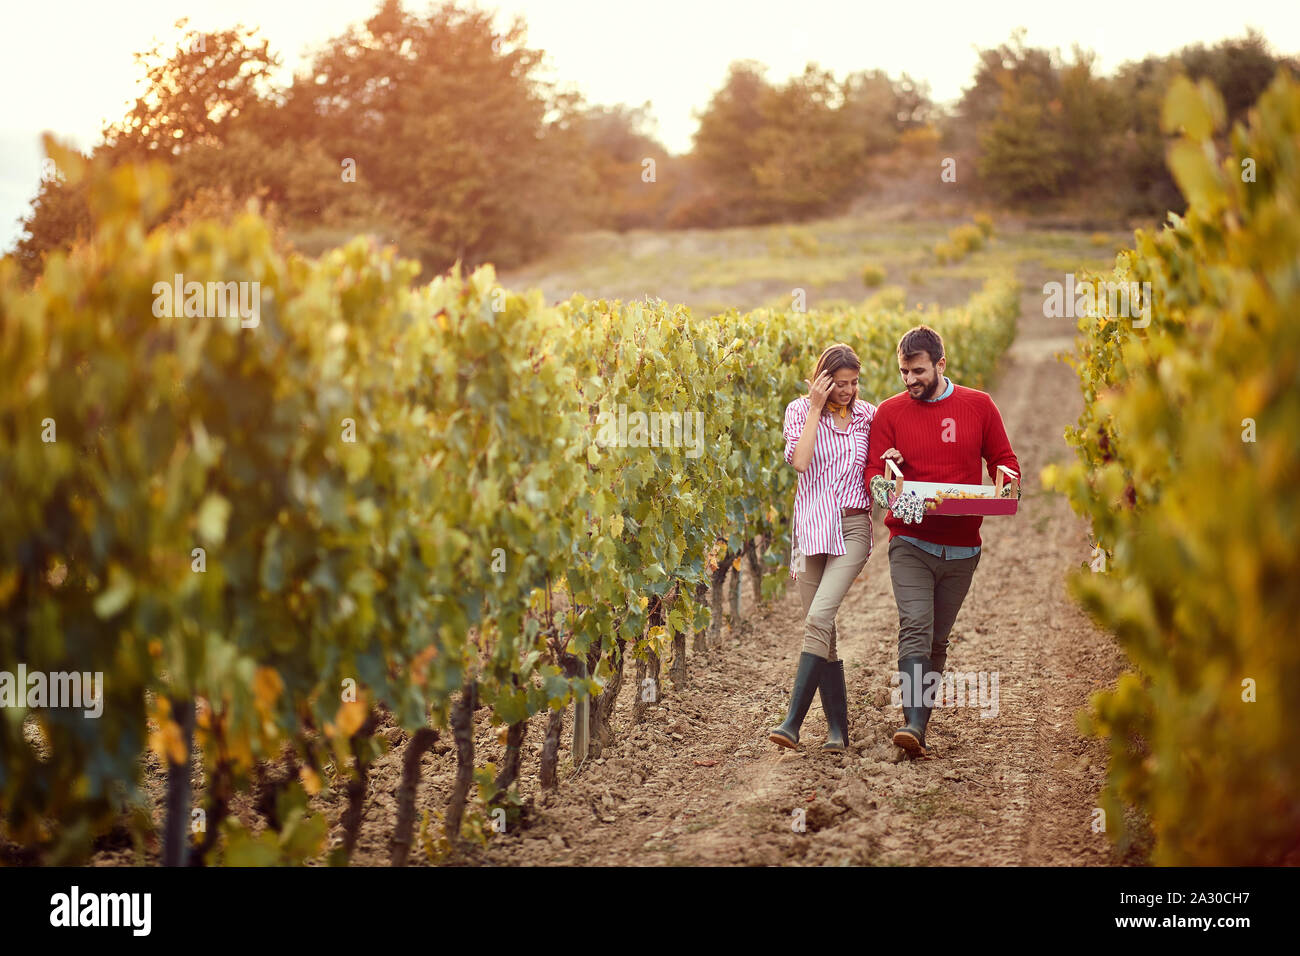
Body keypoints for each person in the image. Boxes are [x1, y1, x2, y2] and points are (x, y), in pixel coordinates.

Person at [864, 325, 1021, 758]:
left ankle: (921, 723)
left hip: (963, 548)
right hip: (910, 541)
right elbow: (873, 478)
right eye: (903, 372)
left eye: (917, 371)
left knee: (937, 641)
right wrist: (889, 485)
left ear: (940, 365)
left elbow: (1003, 460)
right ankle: (912, 723)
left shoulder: (979, 406)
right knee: (915, 628)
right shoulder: (889, 413)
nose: (909, 380)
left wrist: (1007, 485)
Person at [769, 344, 876, 753]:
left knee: (818, 617)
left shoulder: (869, 416)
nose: (848, 391)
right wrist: (816, 407)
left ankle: (792, 722)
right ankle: (837, 731)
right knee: (823, 630)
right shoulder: (798, 410)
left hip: (851, 528)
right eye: (840, 383)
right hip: (810, 532)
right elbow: (799, 461)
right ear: (823, 379)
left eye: (854, 383)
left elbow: (882, 459)